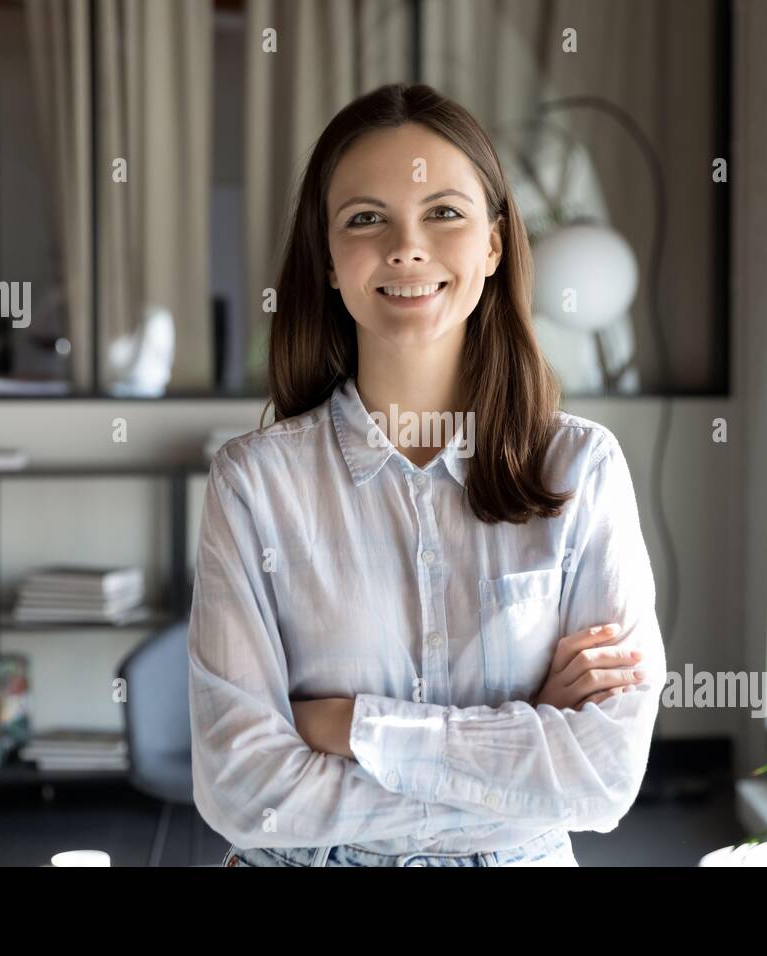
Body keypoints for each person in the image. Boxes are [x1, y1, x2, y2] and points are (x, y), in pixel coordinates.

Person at [189, 82, 665, 867]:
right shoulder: (254, 485)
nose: (406, 248)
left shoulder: (581, 470)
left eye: (444, 212)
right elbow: (245, 792)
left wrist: (347, 727)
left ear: (494, 245)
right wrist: (521, 744)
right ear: (329, 261)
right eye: (366, 219)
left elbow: (604, 776)